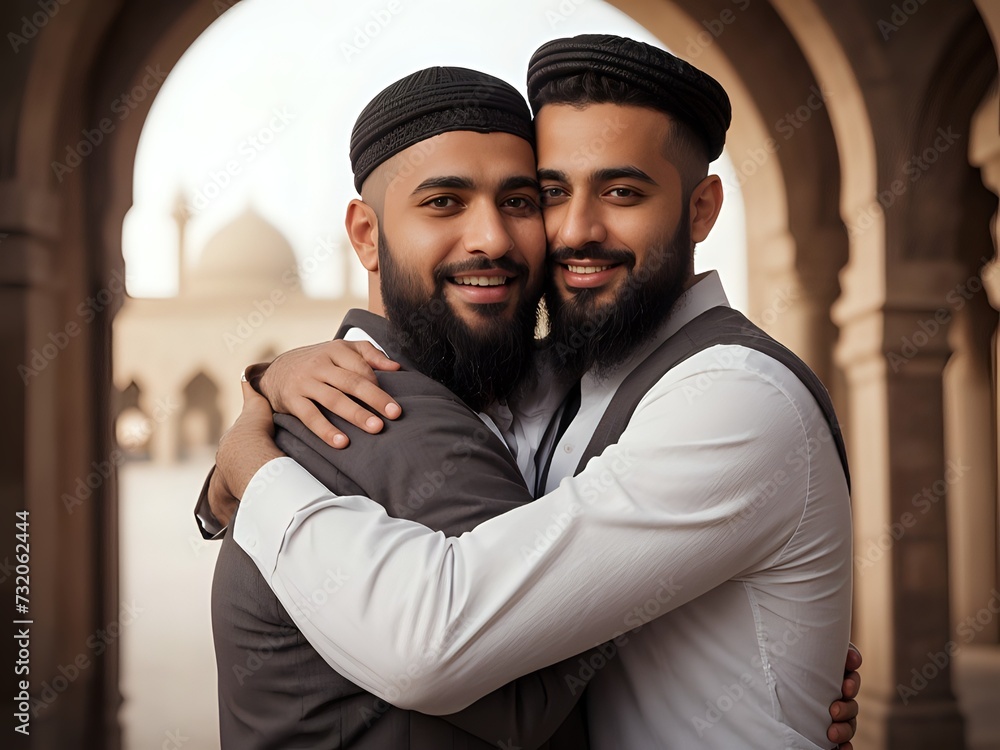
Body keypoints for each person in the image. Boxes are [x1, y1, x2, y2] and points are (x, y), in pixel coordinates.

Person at [209, 35, 861, 748]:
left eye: (622, 192)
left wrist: (253, 468)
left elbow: (437, 640)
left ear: (701, 210)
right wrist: (270, 382)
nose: (576, 230)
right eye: (552, 194)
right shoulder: (564, 377)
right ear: (365, 234)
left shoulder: (735, 399)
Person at [205, 66, 592, 748]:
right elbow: (529, 697)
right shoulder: (395, 419)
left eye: (519, 202)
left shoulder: (459, 386)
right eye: (444, 202)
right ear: (364, 234)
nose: (492, 238)